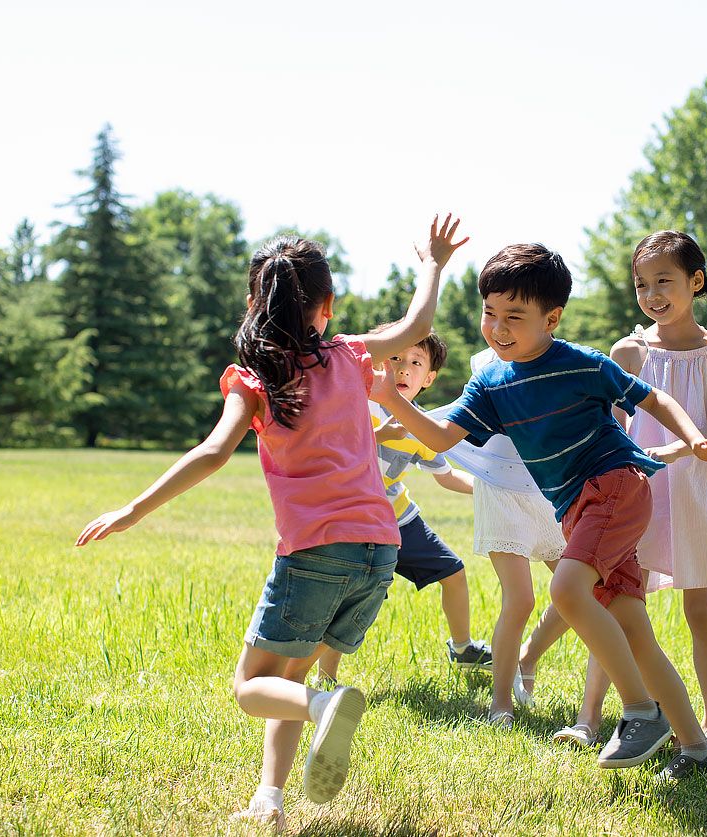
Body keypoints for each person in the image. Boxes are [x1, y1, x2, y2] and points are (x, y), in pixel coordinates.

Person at [75, 215, 468, 827]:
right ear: (327, 305)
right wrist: (433, 262)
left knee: (250, 687)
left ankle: (326, 705)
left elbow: (211, 452)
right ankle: (271, 796)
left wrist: (132, 510)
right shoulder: (351, 355)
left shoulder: (256, 377)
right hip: (380, 552)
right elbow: (417, 326)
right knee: (290, 674)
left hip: (315, 553)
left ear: (256, 304)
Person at [371, 243, 707, 781]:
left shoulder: (582, 363)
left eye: (515, 318)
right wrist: (392, 400)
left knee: (567, 590)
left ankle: (642, 711)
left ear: (552, 319)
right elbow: (439, 434)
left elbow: (655, 401)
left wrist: (695, 439)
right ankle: (697, 747)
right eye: (490, 314)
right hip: (577, 506)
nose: (498, 329)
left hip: (615, 488)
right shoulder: (491, 383)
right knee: (631, 623)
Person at [519, 230, 707, 759]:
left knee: (702, 610)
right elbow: (614, 431)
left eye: (664, 281)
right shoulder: (630, 350)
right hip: (632, 491)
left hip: (693, 491)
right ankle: (590, 719)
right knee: (618, 603)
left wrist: (684, 451)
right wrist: (660, 456)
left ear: (696, 281)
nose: (652, 294)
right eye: (642, 284)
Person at [315, 328, 491, 687]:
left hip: (398, 519)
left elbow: (446, 476)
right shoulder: (356, 403)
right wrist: (383, 435)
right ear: (378, 363)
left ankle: (462, 648)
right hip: (352, 520)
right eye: (395, 358)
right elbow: (338, 446)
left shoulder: (420, 424)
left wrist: (492, 491)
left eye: (415, 363)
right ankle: (325, 677)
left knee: (454, 572)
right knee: (352, 596)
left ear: (429, 378)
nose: (403, 369)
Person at [427, 346, 565, 727]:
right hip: (500, 494)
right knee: (520, 599)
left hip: (543, 490)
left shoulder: (553, 361)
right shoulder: (485, 367)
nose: (503, 327)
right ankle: (500, 702)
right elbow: (456, 426)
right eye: (493, 314)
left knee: (580, 592)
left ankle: (528, 657)